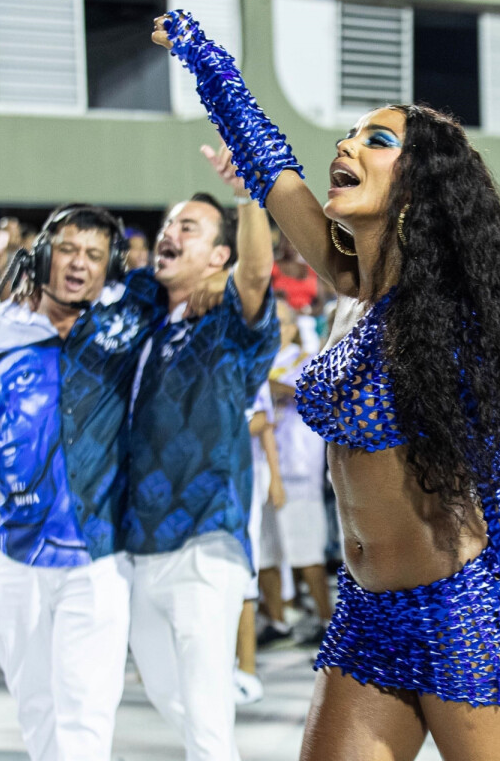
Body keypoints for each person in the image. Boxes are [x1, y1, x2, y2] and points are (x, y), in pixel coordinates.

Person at [155, 9, 500, 760]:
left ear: (420, 183)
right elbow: (270, 164)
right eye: (349, 137)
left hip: (462, 616)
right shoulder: (354, 282)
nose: (348, 146)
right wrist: (202, 56)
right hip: (365, 616)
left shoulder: (454, 322)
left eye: (377, 141)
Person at [0, 205, 166, 761]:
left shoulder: (126, 323)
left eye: (94, 256)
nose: (79, 264)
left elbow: (185, 285)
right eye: (68, 250)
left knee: (84, 719)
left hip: (96, 557)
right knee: (36, 711)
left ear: (110, 269)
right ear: (42, 255)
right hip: (13, 556)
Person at [123, 146, 281, 760]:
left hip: (205, 538)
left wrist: (246, 197)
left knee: (207, 710)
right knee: (170, 697)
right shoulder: (142, 320)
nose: (170, 233)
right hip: (140, 541)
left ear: (219, 253)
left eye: (187, 227)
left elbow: (257, 275)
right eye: (167, 225)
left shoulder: (228, 323)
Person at [259, 298, 333, 646]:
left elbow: (309, 396)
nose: (275, 329)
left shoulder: (306, 362)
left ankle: (326, 620)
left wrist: (269, 387)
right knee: (266, 551)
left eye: (281, 322)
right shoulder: (256, 362)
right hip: (260, 467)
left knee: (307, 553)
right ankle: (276, 620)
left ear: (292, 327)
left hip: (299, 470)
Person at [236, 380, 286, 705]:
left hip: (243, 477)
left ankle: (248, 671)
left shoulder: (248, 357)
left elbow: (263, 421)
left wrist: (275, 478)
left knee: (243, 572)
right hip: (199, 479)